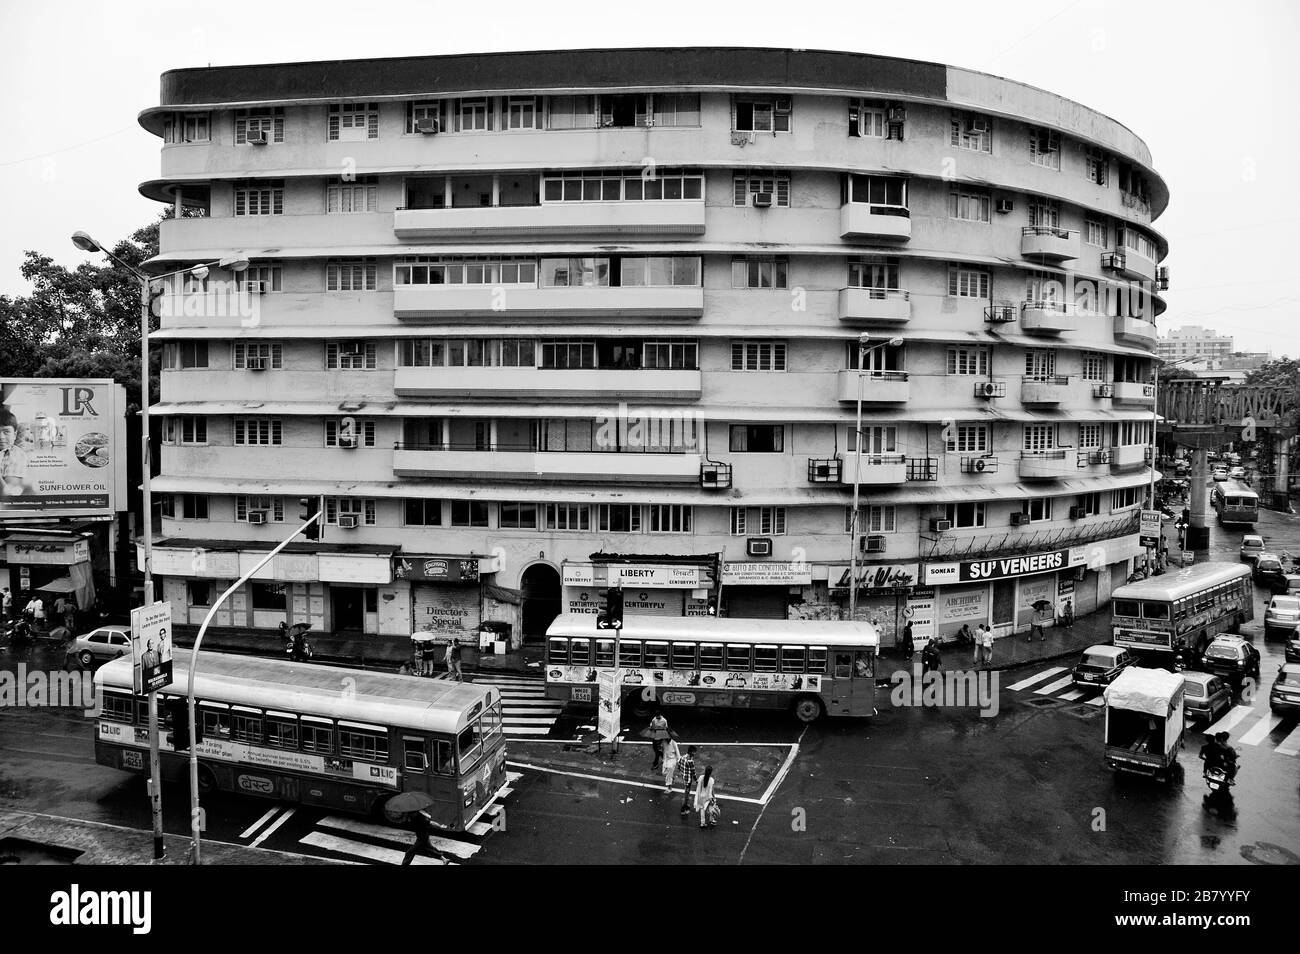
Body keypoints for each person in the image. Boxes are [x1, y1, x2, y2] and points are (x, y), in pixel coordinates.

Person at [694, 765, 717, 829]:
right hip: (707, 797)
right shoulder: (711, 780)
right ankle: (712, 820)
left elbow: (698, 786)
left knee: (702, 809)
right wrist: (714, 797)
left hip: (701, 796)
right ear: (711, 772)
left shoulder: (701, 777)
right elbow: (712, 790)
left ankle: (702, 823)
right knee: (711, 808)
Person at [677, 746, 698, 816]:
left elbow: (679, 766)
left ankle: (686, 806)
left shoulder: (683, 757)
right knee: (686, 794)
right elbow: (693, 772)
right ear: (691, 752)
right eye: (694, 752)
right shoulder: (690, 761)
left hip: (684, 777)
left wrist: (682, 773)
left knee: (687, 792)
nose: (695, 753)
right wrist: (696, 781)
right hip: (688, 779)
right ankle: (683, 809)